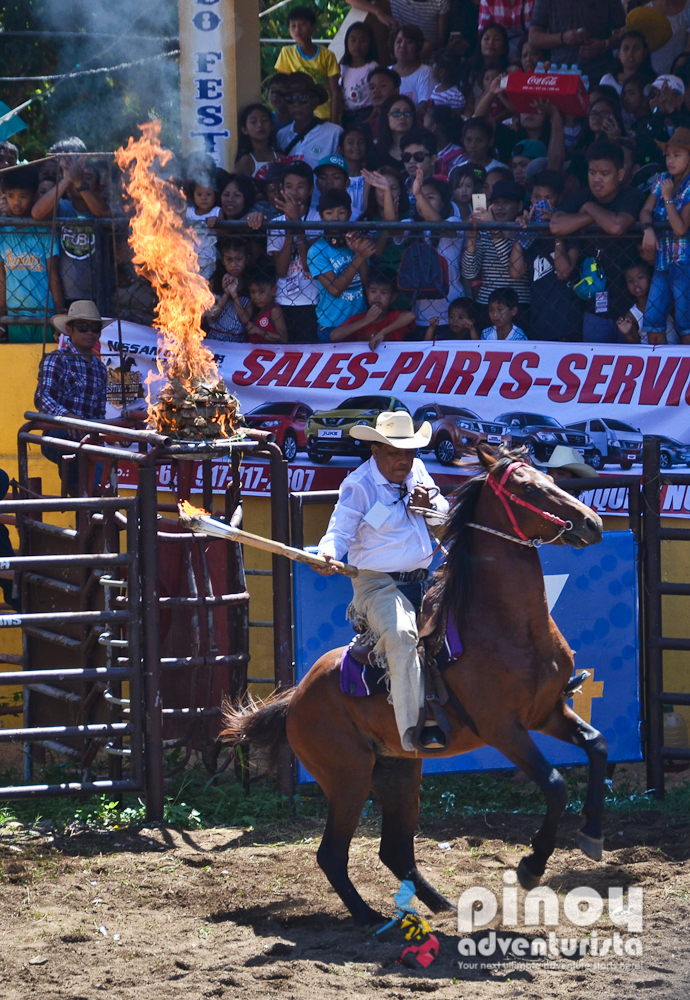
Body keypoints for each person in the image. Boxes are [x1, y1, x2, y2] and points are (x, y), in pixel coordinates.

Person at [316, 409, 450, 751]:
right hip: (377, 585)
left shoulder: (418, 471)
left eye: (409, 452)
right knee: (401, 635)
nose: (403, 460)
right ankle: (414, 732)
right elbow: (339, 530)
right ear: (375, 450)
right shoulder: (359, 486)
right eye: (394, 452)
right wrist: (328, 553)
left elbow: (445, 518)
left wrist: (431, 506)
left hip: (425, 580)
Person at [550, 140, 646, 343]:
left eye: (604, 173)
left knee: (630, 359)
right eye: (592, 172)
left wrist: (588, 209)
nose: (597, 179)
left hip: (631, 303)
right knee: (596, 359)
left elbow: (617, 226)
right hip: (594, 304)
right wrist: (592, 216)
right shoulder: (583, 196)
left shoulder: (632, 196)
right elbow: (556, 225)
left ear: (620, 175)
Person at [35, 300, 107, 494]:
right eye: (83, 327)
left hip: (87, 436)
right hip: (58, 431)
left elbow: (99, 412)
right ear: (70, 330)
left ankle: (87, 499)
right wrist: (67, 417)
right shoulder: (56, 359)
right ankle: (84, 494)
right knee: (82, 463)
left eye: (95, 328)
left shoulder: (100, 368)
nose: (90, 332)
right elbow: (42, 397)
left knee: (99, 470)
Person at [31, 139, 109, 306]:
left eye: (87, 177)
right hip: (68, 295)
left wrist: (80, 182)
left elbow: (103, 213)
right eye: (72, 177)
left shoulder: (98, 207)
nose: (77, 181)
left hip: (100, 294)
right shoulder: (62, 207)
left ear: (97, 184)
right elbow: (37, 213)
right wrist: (67, 180)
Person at [510, 169, 584, 342]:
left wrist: (557, 230)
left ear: (558, 200)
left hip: (569, 325)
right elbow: (515, 272)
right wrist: (522, 234)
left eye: (548, 198)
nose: (542, 203)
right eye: (537, 197)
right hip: (539, 323)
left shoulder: (572, 234)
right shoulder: (531, 237)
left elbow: (563, 272)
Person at [0, 166, 65, 343]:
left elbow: (53, 275)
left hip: (46, 313)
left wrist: (60, 315)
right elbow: (1, 279)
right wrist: (2, 318)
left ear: (35, 197)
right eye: (11, 196)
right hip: (15, 315)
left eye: (23, 196)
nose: (16, 202)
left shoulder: (44, 231)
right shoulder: (2, 232)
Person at [398, 171, 466, 335]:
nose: (422, 202)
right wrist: (387, 192)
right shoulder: (412, 225)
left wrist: (418, 194)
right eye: (420, 198)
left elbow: (441, 227)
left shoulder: (454, 222)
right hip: (419, 316)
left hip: (452, 316)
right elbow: (392, 230)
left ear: (443, 203)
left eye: (430, 197)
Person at [639, 126, 690, 344]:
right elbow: (645, 210)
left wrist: (668, 198)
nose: (670, 160)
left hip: (685, 263)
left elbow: (680, 228)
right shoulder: (662, 179)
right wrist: (647, 229)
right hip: (662, 261)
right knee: (652, 317)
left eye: (677, 155)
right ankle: (657, 362)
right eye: (668, 155)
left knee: (686, 321)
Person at [306, 189, 375, 340]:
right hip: (332, 324)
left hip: (360, 320)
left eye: (341, 212)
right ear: (321, 216)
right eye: (329, 213)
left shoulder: (357, 242)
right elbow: (335, 290)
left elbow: (366, 283)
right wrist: (358, 257)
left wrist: (359, 252)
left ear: (349, 215)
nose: (336, 218)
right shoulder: (316, 250)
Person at [267, 161, 321, 343]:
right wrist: (291, 231)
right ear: (282, 189)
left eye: (300, 187)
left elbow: (308, 265)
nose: (294, 192)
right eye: (289, 186)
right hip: (283, 300)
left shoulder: (320, 219)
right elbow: (281, 270)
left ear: (311, 190)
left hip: (313, 300)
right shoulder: (276, 224)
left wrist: (298, 225)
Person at [462, 178, 531, 318]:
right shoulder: (484, 233)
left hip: (518, 306)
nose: (499, 208)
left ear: (519, 206)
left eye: (505, 202)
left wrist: (494, 229)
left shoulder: (526, 232)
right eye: (496, 203)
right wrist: (472, 239)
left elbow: (512, 268)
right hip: (487, 306)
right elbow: (469, 274)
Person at [274, 6, 342, 124]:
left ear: (313, 28)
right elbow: (284, 87)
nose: (297, 29)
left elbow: (335, 91)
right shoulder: (286, 53)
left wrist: (334, 120)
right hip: (298, 115)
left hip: (324, 115)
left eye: (303, 24)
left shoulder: (327, 55)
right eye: (293, 25)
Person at [528, 0, 626, 77]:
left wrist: (604, 44)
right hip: (561, 74)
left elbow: (624, 32)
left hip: (601, 75)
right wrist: (563, 38)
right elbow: (533, 37)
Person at [328, 268, 417, 345]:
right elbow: (334, 335)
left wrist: (383, 332)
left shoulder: (393, 317)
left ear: (393, 297)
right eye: (373, 291)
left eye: (383, 293)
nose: (377, 297)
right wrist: (366, 320)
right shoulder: (359, 318)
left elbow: (410, 316)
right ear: (367, 293)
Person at [276, 73, 343, 168]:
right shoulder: (281, 136)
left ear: (315, 102)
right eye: (290, 99)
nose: (296, 104)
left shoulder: (334, 133)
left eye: (303, 98)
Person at [616, 259, 680, 344]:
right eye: (630, 281)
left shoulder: (666, 304)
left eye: (640, 278)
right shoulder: (632, 315)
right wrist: (627, 334)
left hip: (676, 349)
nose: (636, 284)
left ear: (650, 278)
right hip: (651, 352)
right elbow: (635, 344)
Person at [226, 264, 289, 343]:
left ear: (273, 291)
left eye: (261, 292)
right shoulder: (254, 305)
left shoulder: (274, 311)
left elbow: (283, 338)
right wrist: (233, 293)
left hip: (269, 349)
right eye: (252, 292)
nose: (256, 297)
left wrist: (259, 331)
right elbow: (244, 320)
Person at [205, 237, 250, 342]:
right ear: (222, 260)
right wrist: (225, 294)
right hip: (215, 338)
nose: (234, 264)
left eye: (239, 259)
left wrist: (234, 294)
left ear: (246, 259)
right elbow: (211, 317)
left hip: (239, 340)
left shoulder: (249, 285)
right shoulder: (215, 283)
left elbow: (246, 320)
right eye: (229, 260)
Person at [339, 21, 380, 128]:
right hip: (347, 115)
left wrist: (370, 119)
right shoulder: (342, 67)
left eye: (363, 41)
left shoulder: (372, 67)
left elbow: (378, 96)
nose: (357, 45)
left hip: (367, 113)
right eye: (353, 40)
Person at [389, 25, 435, 108]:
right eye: (398, 41)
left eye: (409, 42)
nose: (402, 45)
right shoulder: (386, 72)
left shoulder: (425, 72)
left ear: (418, 46)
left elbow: (425, 105)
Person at [599, 30, 655, 94]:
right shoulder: (608, 80)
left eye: (636, 48)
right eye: (626, 48)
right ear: (619, 54)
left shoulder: (654, 82)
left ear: (645, 53)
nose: (630, 53)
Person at [371, 94, 417, 169]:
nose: (402, 117)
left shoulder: (422, 147)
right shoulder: (376, 151)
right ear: (386, 117)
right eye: (396, 113)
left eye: (407, 112)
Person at [234, 104, 281, 177]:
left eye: (264, 120)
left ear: (272, 126)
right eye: (253, 122)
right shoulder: (246, 161)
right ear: (245, 130)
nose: (260, 125)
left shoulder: (280, 157)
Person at [423, 105, 466, 176]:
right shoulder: (425, 149)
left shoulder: (460, 157)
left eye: (427, 114)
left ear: (433, 127)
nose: (424, 117)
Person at [428, 45, 468, 114]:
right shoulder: (436, 87)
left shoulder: (456, 96)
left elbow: (455, 117)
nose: (432, 66)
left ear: (441, 72)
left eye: (434, 63)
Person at [365, 66, 401, 141]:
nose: (375, 91)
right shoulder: (368, 128)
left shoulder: (406, 122)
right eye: (372, 88)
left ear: (396, 91)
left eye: (383, 86)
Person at [400, 127, 438, 198]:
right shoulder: (398, 188)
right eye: (406, 156)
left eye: (419, 156)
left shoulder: (444, 190)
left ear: (433, 159)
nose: (411, 161)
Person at [339, 127, 368, 214]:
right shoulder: (336, 179)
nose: (356, 146)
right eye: (350, 143)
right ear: (340, 150)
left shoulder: (371, 178)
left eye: (361, 143)